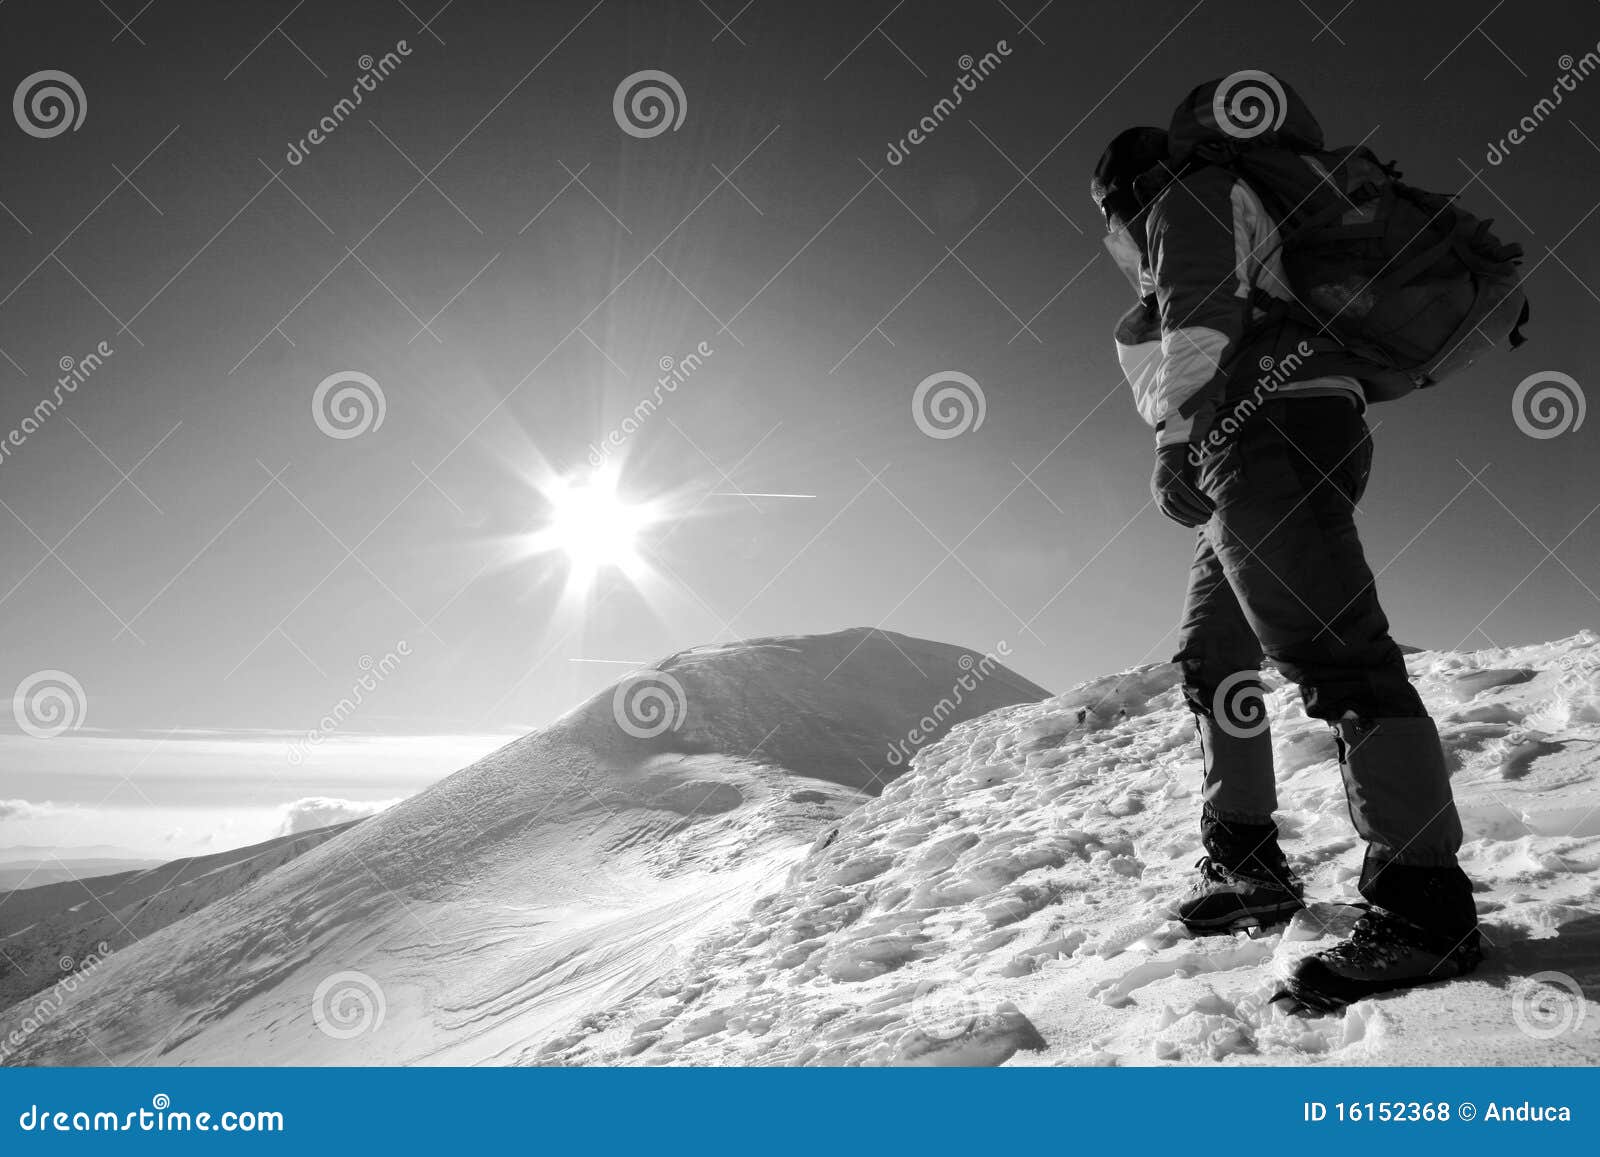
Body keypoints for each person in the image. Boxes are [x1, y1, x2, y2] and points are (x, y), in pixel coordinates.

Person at [1090, 78, 1480, 1008]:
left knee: (1336, 654)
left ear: (1123, 190)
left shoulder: (1185, 197)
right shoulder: (1238, 195)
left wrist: (1178, 441)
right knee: (1216, 652)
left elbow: (1202, 315)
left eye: (1106, 209)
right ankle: (1249, 863)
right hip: (1283, 427)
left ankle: (1426, 908)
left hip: (1263, 431)